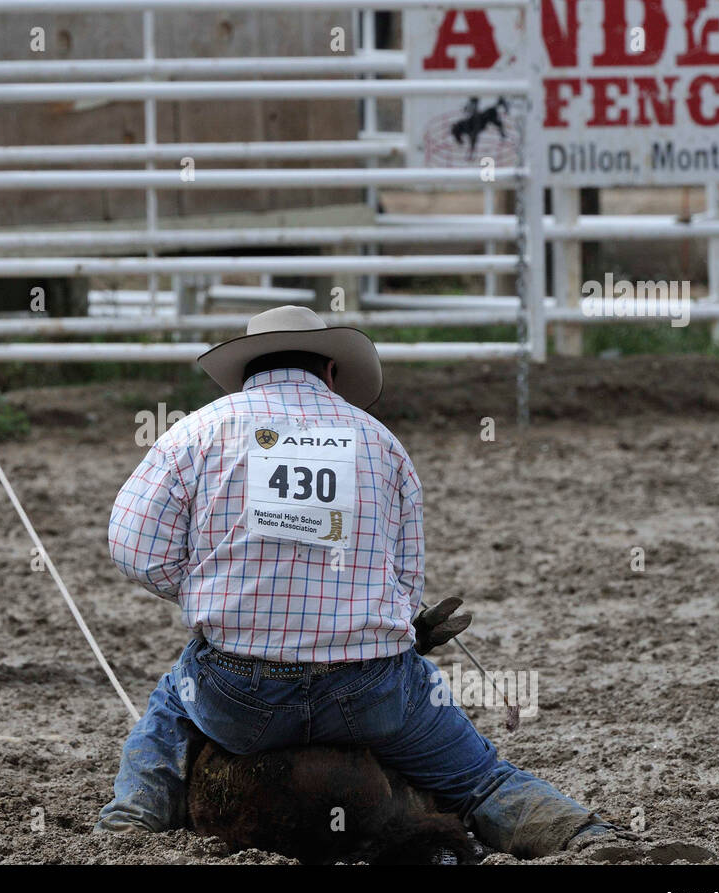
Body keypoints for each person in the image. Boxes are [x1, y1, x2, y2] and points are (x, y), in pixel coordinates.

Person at [95, 305, 624, 858]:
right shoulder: (381, 442)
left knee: (174, 698)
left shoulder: (194, 433)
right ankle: (581, 837)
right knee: (478, 774)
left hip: (239, 695)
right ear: (330, 370)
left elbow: (134, 550)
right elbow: (405, 579)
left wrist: (211, 588)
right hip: (367, 689)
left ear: (250, 368)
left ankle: (130, 825)